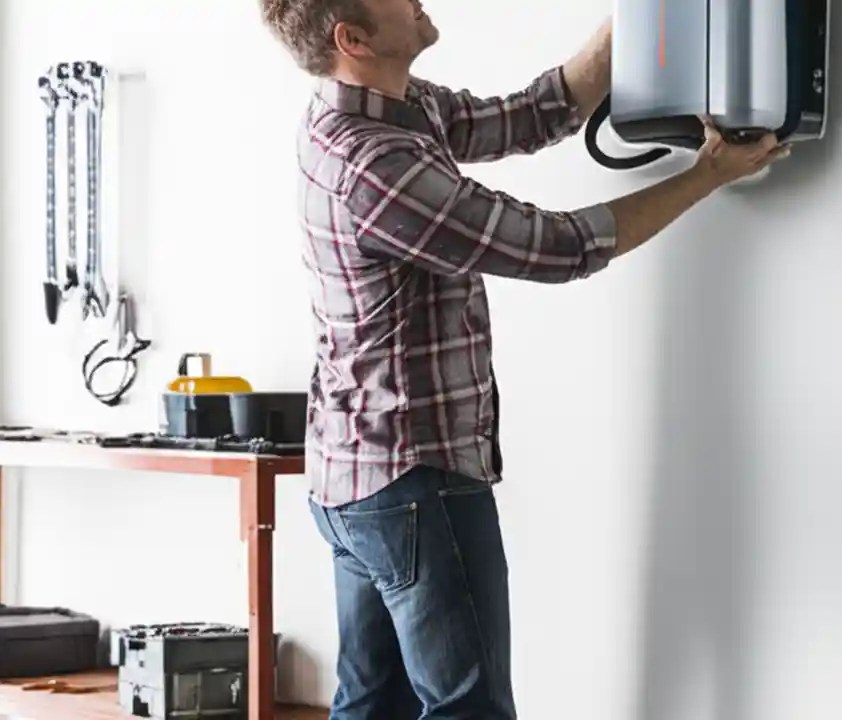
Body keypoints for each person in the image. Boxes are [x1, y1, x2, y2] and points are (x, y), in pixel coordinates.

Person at [260, 1, 790, 717]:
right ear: (352, 39)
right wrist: (709, 174)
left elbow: (536, 112)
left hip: (355, 475)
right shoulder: (373, 164)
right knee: (468, 708)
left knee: (370, 705)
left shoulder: (384, 106)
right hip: (413, 477)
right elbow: (557, 245)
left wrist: (634, 13)